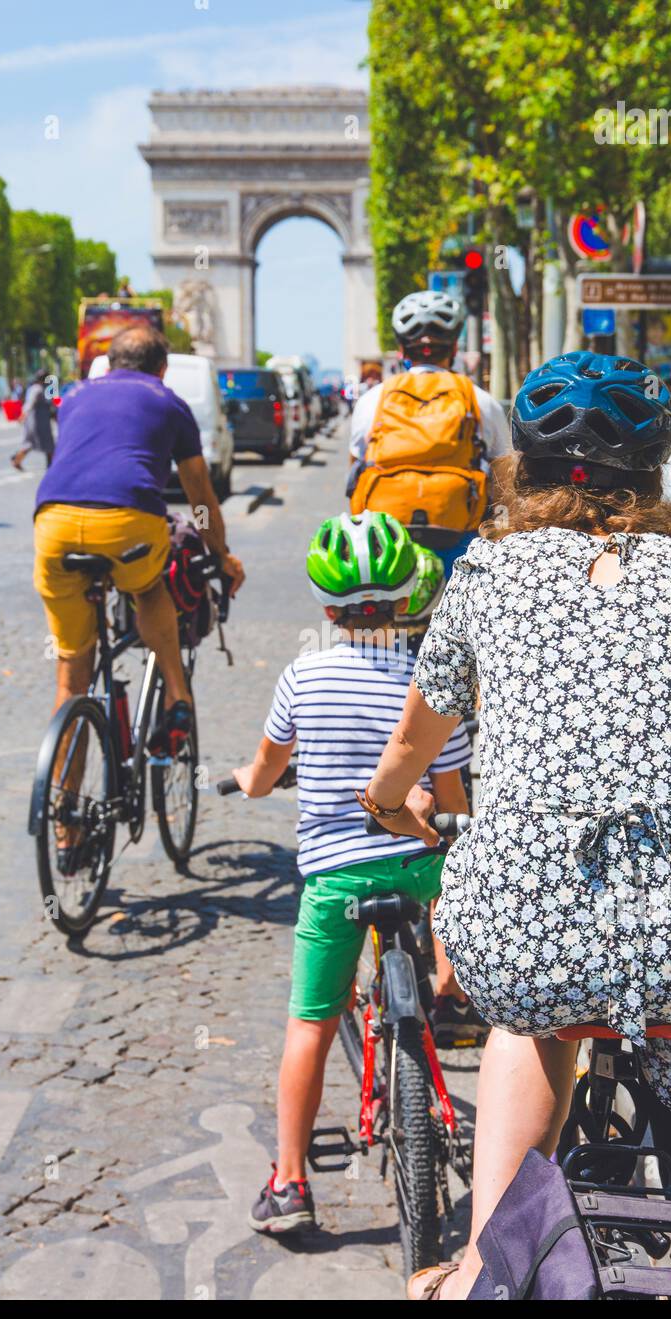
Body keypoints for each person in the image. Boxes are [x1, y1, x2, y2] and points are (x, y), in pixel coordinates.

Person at [360, 350, 671, 1298]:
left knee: (526, 1016)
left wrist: (392, 806)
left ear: (526, 465)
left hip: (522, 924)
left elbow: (411, 751)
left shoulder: (486, 574)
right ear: (657, 469)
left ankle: (481, 1262)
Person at [227, 511, 472, 1233]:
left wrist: (247, 779)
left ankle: (290, 1182)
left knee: (308, 1022)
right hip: (416, 865)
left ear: (327, 607)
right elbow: (453, 810)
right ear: (408, 597)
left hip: (335, 881)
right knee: (443, 871)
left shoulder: (302, 676)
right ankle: (450, 982)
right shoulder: (432, 684)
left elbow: (267, 771)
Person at [33, 324, 245, 763]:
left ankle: (66, 822)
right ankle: (177, 695)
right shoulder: (169, 402)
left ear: (109, 364)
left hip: (53, 524)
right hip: (128, 522)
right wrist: (220, 554)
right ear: (162, 369)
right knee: (149, 587)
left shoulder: (73, 396)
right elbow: (199, 495)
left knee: (71, 680)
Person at [347, 290, 511, 576]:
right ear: (453, 348)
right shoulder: (480, 400)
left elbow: (356, 471)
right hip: (459, 535)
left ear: (401, 348)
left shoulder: (372, 399)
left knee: (384, 618)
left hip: (386, 543)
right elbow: (505, 476)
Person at [11, 369, 56, 471]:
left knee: (36, 444)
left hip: (41, 421)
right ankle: (17, 460)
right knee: (42, 444)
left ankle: (50, 465)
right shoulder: (37, 389)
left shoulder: (42, 388)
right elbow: (29, 404)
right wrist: (23, 415)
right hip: (37, 422)